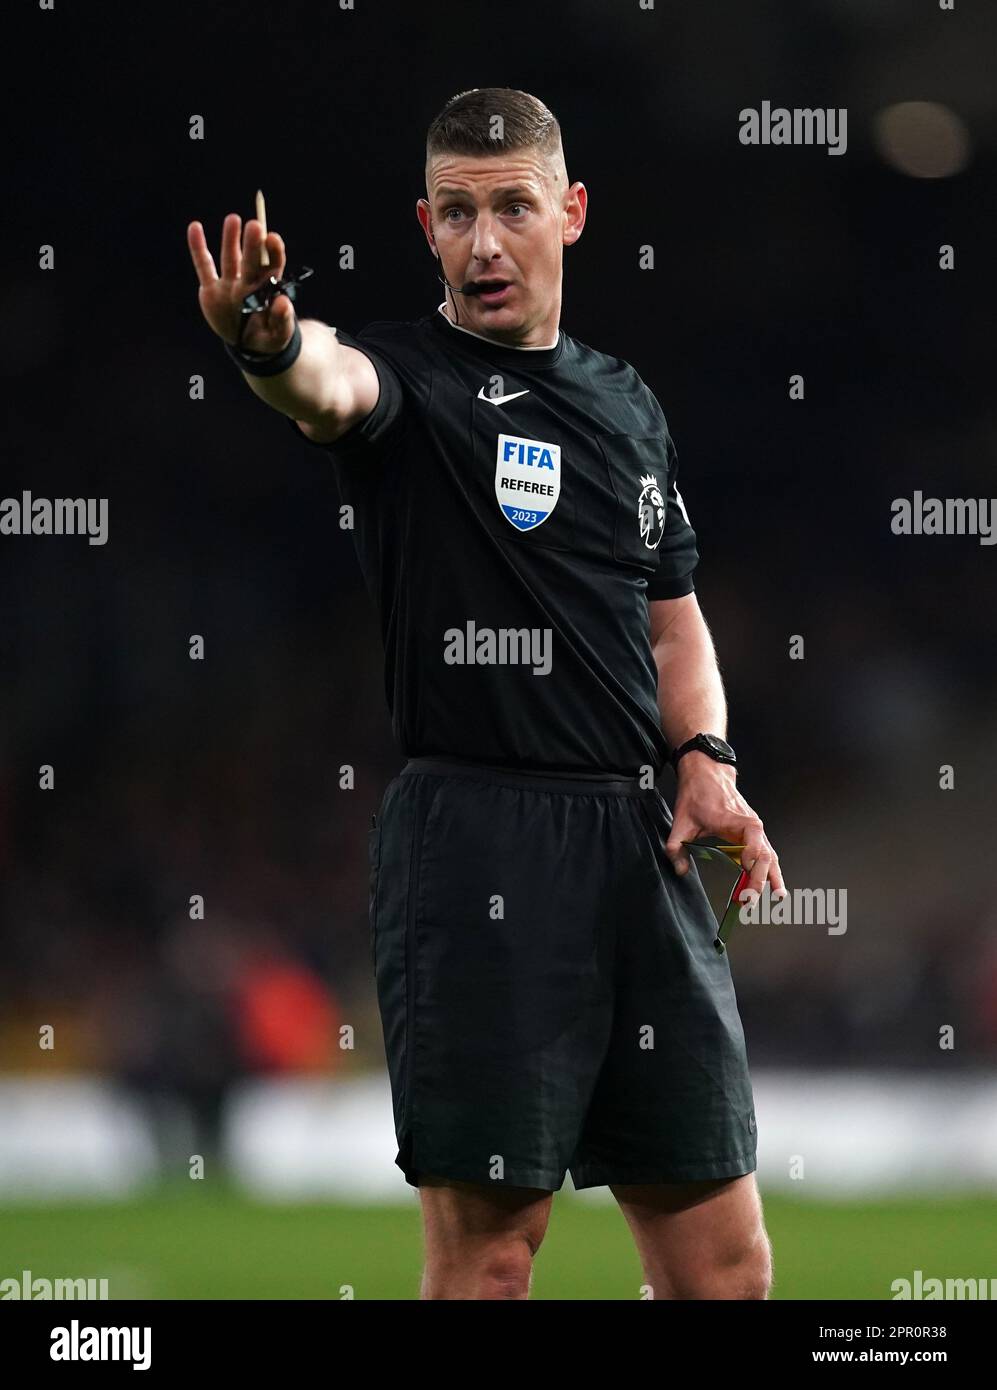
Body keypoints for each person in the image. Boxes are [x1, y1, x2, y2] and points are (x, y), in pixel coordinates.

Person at [187, 86, 785, 1301]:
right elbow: (324, 383)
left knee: (725, 1270)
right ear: (426, 226)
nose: (484, 241)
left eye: (512, 207)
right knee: (491, 1261)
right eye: (456, 213)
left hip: (641, 851)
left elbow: (671, 618)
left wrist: (706, 759)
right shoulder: (408, 386)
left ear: (568, 213)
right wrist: (261, 337)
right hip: (481, 843)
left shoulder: (625, 407)